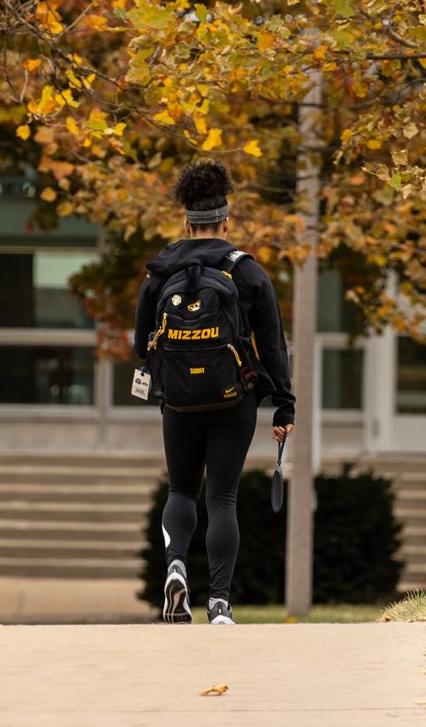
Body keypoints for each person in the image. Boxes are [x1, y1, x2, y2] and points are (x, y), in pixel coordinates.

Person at [133, 159, 295, 626]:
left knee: (181, 489)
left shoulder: (159, 273)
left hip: (179, 401)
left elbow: (141, 344)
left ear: (186, 221)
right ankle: (219, 603)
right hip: (234, 401)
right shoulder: (248, 274)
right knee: (221, 498)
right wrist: (284, 405)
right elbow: (273, 347)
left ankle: (176, 566)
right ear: (227, 220)